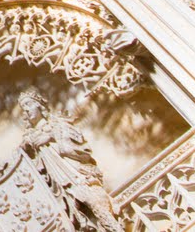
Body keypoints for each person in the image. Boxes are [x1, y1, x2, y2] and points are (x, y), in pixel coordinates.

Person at [17, 91, 123, 232]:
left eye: (28, 104)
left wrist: (51, 137)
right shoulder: (30, 138)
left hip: (76, 176)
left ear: (39, 105)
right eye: (23, 107)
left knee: (97, 203)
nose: (26, 109)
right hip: (59, 187)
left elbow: (81, 151)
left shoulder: (58, 124)